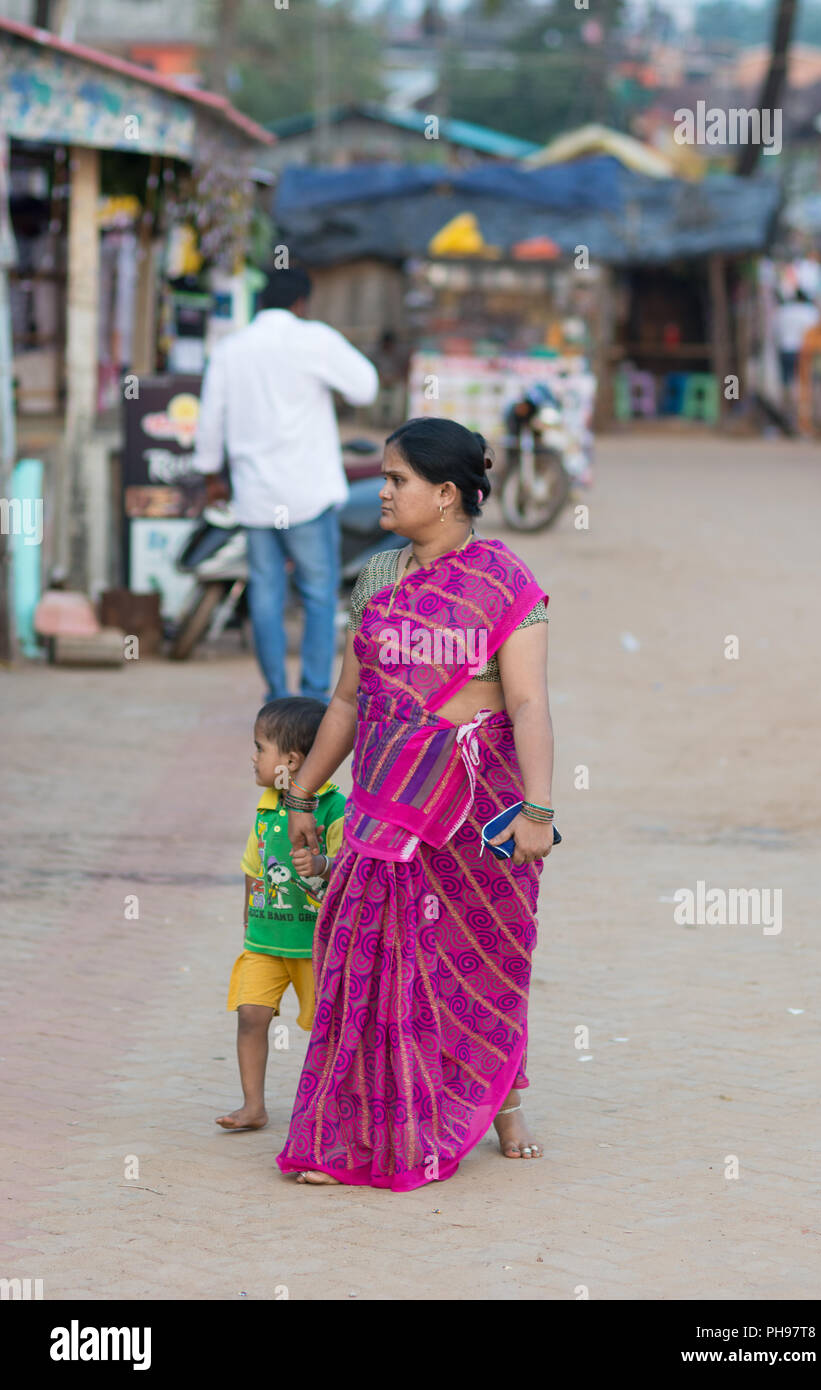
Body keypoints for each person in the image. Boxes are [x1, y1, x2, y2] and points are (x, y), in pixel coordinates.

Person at [274, 417, 555, 1190]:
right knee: (361, 958)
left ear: (447, 493)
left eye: (397, 479)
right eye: (385, 477)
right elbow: (344, 703)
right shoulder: (376, 578)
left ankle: (501, 1100)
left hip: (475, 812)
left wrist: (538, 810)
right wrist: (301, 792)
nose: (383, 490)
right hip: (385, 807)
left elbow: (527, 703)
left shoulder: (506, 583)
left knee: (486, 956)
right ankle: (345, 1129)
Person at [192, 268, 379, 702]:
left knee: (266, 596)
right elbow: (366, 388)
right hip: (308, 494)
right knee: (318, 598)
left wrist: (210, 476)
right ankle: (312, 696)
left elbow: (209, 420)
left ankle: (276, 693)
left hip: (256, 497)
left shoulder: (231, 349)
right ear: (301, 304)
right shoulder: (314, 339)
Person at [216, 697, 346, 1131]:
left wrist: (323, 867)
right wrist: (247, 915)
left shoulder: (333, 808)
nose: (253, 757)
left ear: (290, 760)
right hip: (264, 942)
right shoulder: (266, 806)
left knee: (327, 1030)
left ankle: (331, 1109)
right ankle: (253, 1106)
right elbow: (253, 866)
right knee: (250, 1015)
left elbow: (349, 872)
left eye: (260, 747)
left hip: (314, 947)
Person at [774, 288, 820, 406]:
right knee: (804, 380)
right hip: (803, 350)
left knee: (786, 381)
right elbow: (816, 331)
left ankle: (788, 407)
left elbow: (776, 331)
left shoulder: (783, 311)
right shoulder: (809, 311)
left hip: (785, 349)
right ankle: (803, 409)